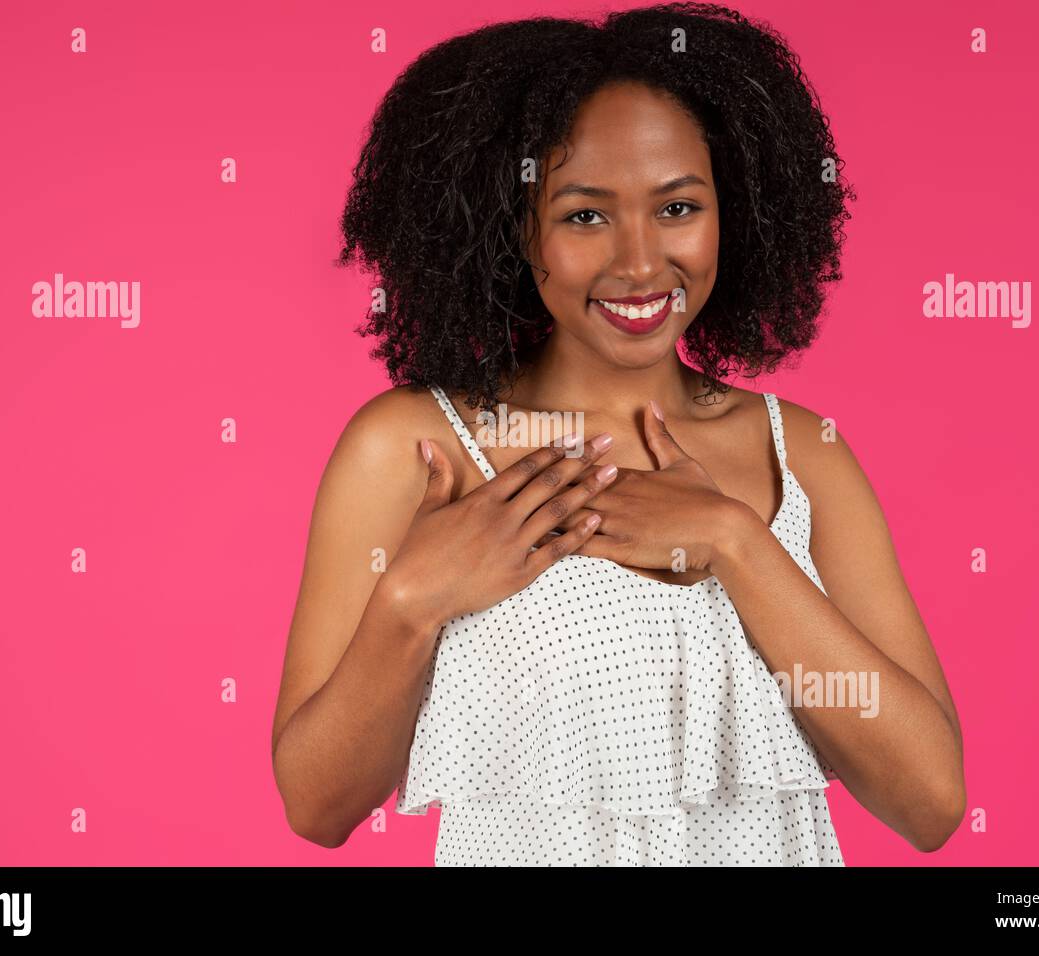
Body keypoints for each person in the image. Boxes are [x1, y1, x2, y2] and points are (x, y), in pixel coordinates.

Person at [272, 2, 965, 865]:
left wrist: (734, 541)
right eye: (584, 216)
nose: (640, 263)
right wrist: (412, 601)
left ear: (733, 212)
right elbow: (317, 805)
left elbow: (931, 801)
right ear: (514, 231)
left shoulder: (803, 451)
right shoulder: (416, 448)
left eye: (677, 207)